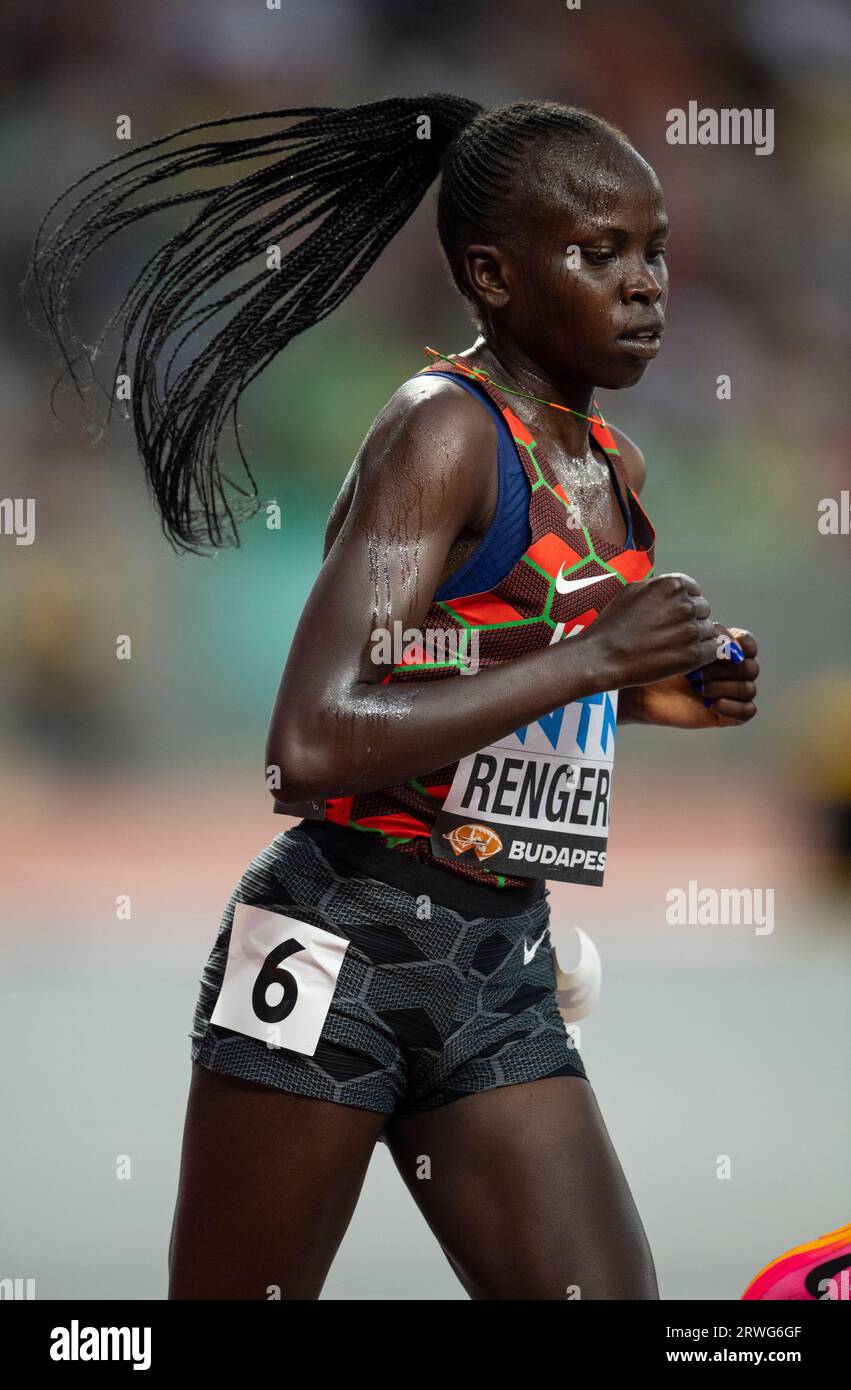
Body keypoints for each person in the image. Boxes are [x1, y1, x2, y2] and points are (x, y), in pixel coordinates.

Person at [28, 95, 759, 1300]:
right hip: (338, 946)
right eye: (597, 252)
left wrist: (653, 689)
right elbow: (309, 740)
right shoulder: (441, 433)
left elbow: (455, 662)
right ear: (491, 273)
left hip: (494, 959)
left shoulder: (610, 468)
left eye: (653, 249)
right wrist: (586, 658)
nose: (643, 285)